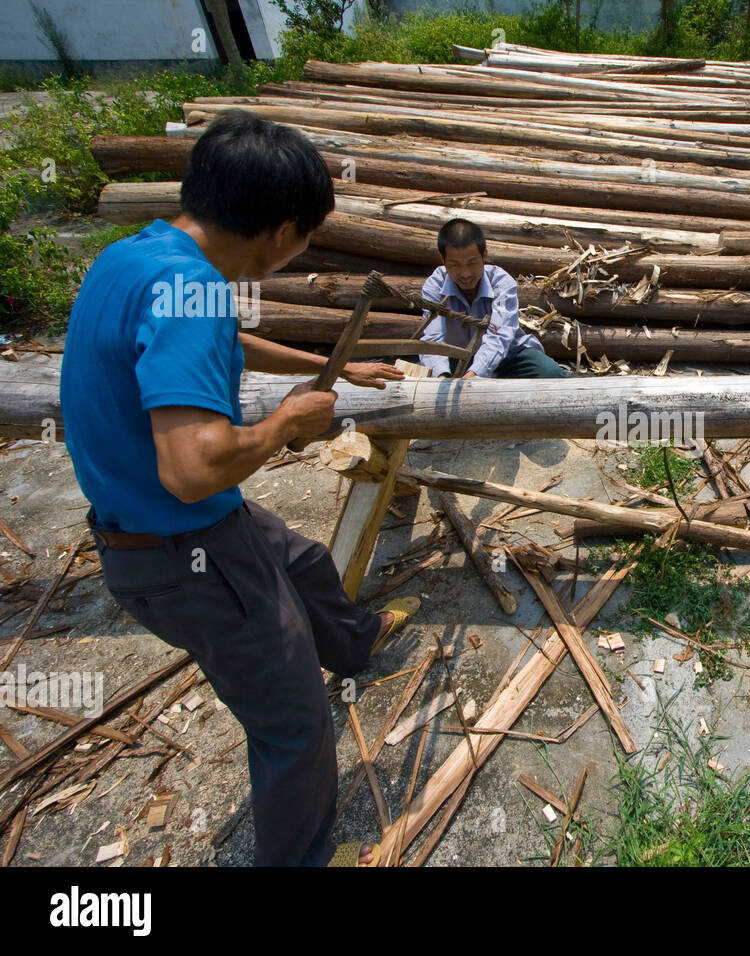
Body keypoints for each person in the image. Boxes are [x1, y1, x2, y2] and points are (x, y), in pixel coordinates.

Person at [59, 110, 415, 867]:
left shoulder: (140, 259)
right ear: (282, 231)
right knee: (293, 722)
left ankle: (355, 643)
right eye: (308, 236)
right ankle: (300, 858)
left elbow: (211, 328)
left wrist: (329, 365)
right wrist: (286, 423)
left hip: (161, 526)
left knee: (302, 560)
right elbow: (192, 467)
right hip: (184, 546)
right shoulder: (193, 287)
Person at [417, 218, 571, 379]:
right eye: (455, 265)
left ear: (484, 255)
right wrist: (442, 378)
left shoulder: (501, 283)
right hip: (456, 356)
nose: (465, 274)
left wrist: (473, 376)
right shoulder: (435, 286)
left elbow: (499, 337)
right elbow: (433, 338)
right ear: (442, 259)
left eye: (472, 263)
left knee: (551, 373)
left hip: (507, 356)